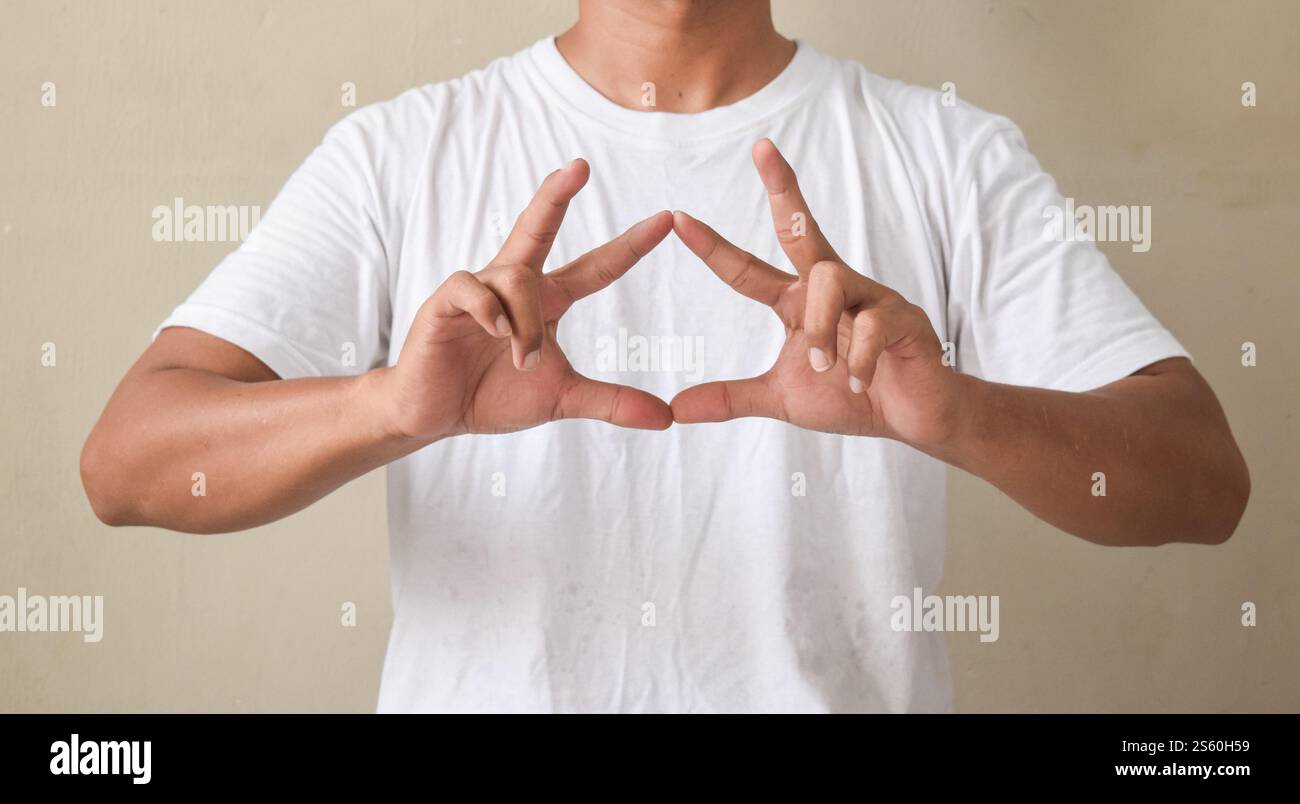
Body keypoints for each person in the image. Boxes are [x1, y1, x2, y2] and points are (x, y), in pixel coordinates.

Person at [80, 0, 1249, 712]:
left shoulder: (945, 152)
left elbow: (1203, 483)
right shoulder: (395, 152)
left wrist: (956, 415)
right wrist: (388, 407)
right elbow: (126, 464)